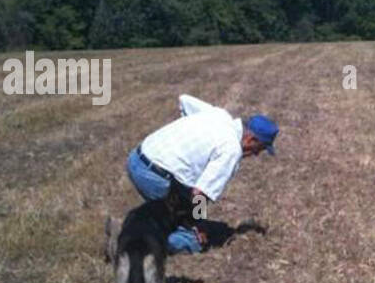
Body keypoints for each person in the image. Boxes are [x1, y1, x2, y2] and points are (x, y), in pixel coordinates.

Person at [106, 94, 277, 258]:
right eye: (259, 149)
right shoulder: (231, 149)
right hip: (153, 177)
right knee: (193, 239)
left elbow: (184, 100)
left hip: (137, 157)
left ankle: (132, 229)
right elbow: (200, 193)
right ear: (250, 139)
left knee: (181, 210)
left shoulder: (219, 115)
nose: (255, 155)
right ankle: (129, 243)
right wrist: (199, 225)